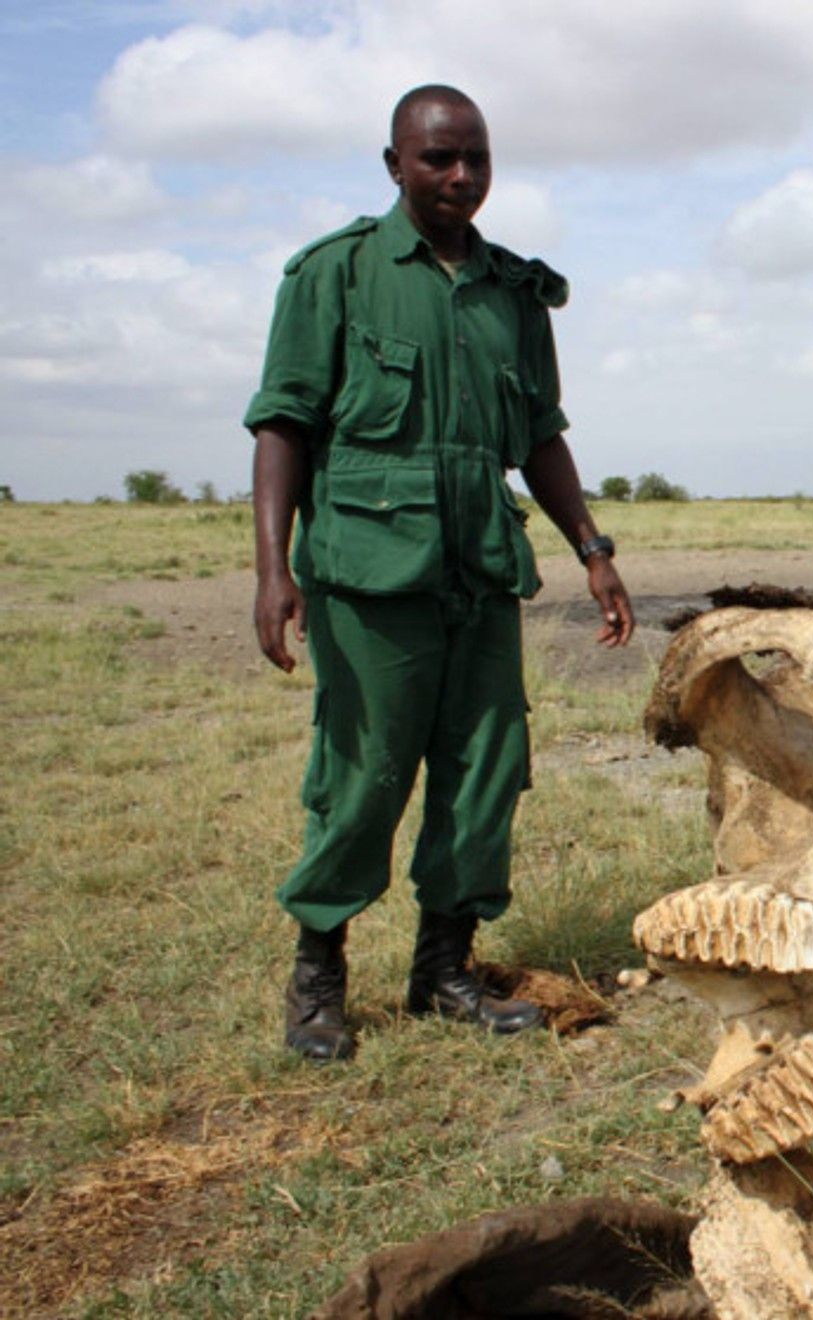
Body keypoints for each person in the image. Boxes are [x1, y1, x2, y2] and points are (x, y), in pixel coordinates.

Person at [247, 84, 635, 1065]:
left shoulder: (512, 290)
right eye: (436, 159)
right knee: (365, 773)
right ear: (394, 167)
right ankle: (319, 975)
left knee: (484, 770)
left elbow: (538, 435)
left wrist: (592, 550)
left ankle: (444, 970)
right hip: (370, 575)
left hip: (480, 572)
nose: (460, 176)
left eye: (475, 158)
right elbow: (283, 423)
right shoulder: (335, 275)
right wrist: (270, 570)